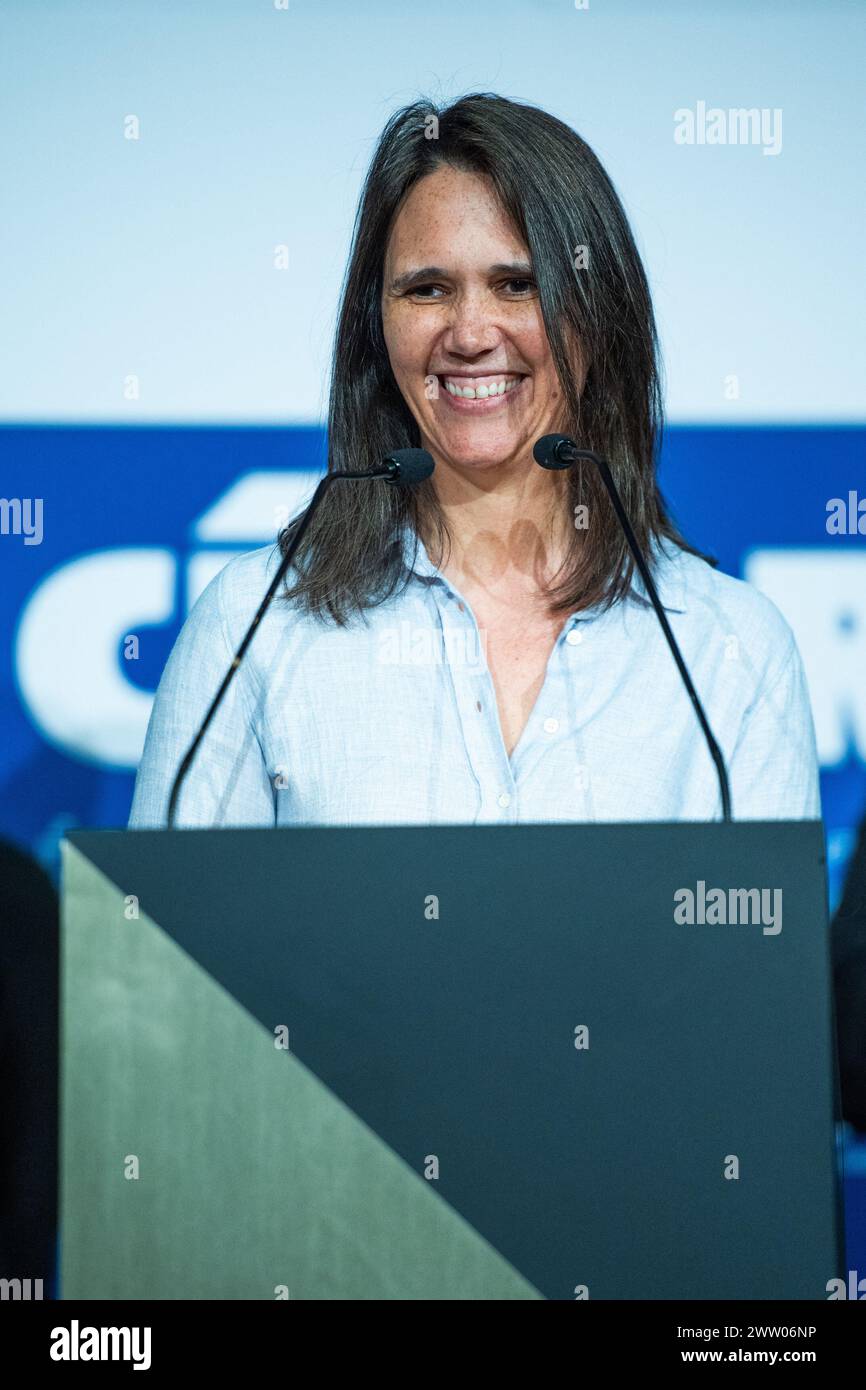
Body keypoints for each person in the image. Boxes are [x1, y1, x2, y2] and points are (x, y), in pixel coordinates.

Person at [129, 93, 820, 830]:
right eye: (428, 290)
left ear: (599, 310)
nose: (469, 333)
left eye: (517, 285)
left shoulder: (729, 646)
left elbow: (760, 939)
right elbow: (156, 944)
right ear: (377, 326)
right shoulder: (254, 623)